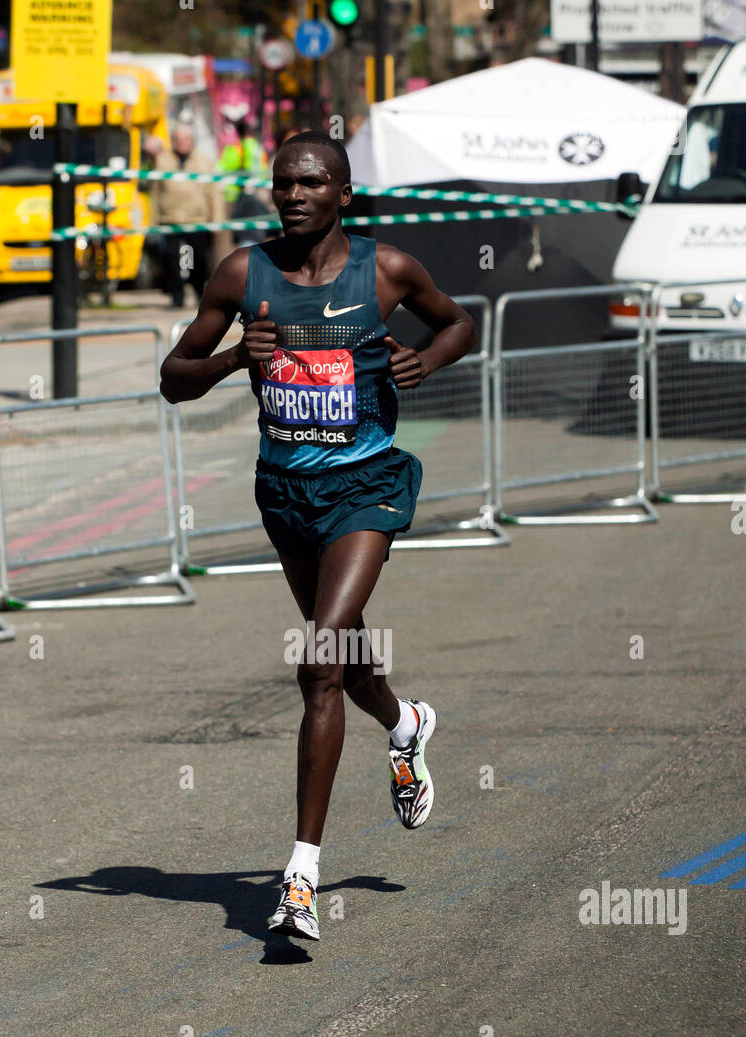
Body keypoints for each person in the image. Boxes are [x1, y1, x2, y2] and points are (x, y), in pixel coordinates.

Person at [160, 130, 476, 943]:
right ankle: (405, 725)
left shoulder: (389, 269)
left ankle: (299, 876)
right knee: (346, 657)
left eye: (309, 183)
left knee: (320, 658)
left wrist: (426, 364)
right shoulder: (241, 271)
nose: (292, 195)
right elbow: (172, 379)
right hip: (286, 492)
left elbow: (459, 324)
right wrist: (236, 359)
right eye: (281, 184)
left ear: (341, 191)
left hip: (366, 487)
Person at [153, 120, 224, 307]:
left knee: (196, 261)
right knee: (172, 261)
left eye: (185, 138)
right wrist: (153, 219)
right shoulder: (163, 160)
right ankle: (177, 297)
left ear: (191, 140)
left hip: (197, 220)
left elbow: (213, 192)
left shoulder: (203, 161)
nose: (181, 142)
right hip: (170, 219)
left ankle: (199, 293)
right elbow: (155, 191)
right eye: (177, 138)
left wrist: (216, 219)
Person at [216, 116, 271, 249]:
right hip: (256, 194)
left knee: (240, 236)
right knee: (258, 234)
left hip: (234, 197)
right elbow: (263, 170)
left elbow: (221, 169)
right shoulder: (258, 148)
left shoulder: (233, 149)